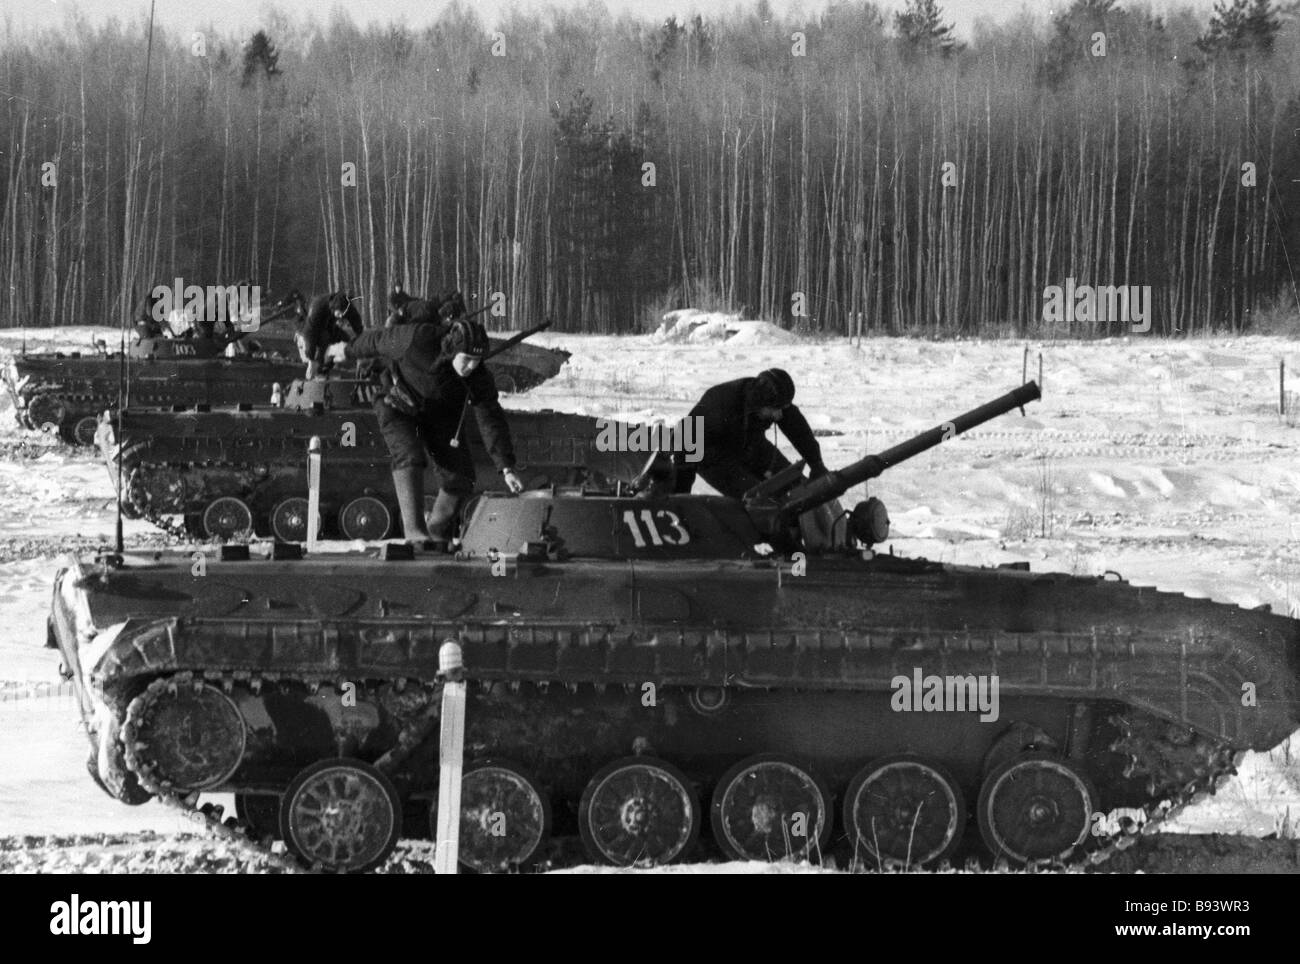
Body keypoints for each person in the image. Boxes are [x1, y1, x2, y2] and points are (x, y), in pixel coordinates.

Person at [325, 316, 524, 543]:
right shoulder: (417, 338)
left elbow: (491, 418)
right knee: (409, 455)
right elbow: (376, 340)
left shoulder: (478, 377)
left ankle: (435, 533)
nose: (471, 366)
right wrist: (346, 350)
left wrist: (506, 466)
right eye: (467, 359)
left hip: (439, 414)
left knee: (460, 477)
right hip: (397, 403)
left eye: (477, 360)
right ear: (451, 349)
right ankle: (415, 534)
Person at [661, 368, 827, 498]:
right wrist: (679, 499)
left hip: (749, 444)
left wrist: (816, 463)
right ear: (761, 404)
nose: (779, 416)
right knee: (760, 502)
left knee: (797, 488)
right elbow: (686, 443)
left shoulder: (775, 397)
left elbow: (797, 429)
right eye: (775, 410)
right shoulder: (721, 404)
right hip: (712, 457)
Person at [297, 291, 364, 378]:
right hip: (309, 327)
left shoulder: (348, 308)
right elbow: (310, 334)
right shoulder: (318, 306)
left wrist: (362, 345)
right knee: (324, 339)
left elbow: (357, 325)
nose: (341, 316)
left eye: (343, 314)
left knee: (347, 339)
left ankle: (329, 366)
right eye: (339, 313)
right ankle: (318, 368)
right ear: (334, 308)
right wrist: (311, 360)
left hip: (329, 325)